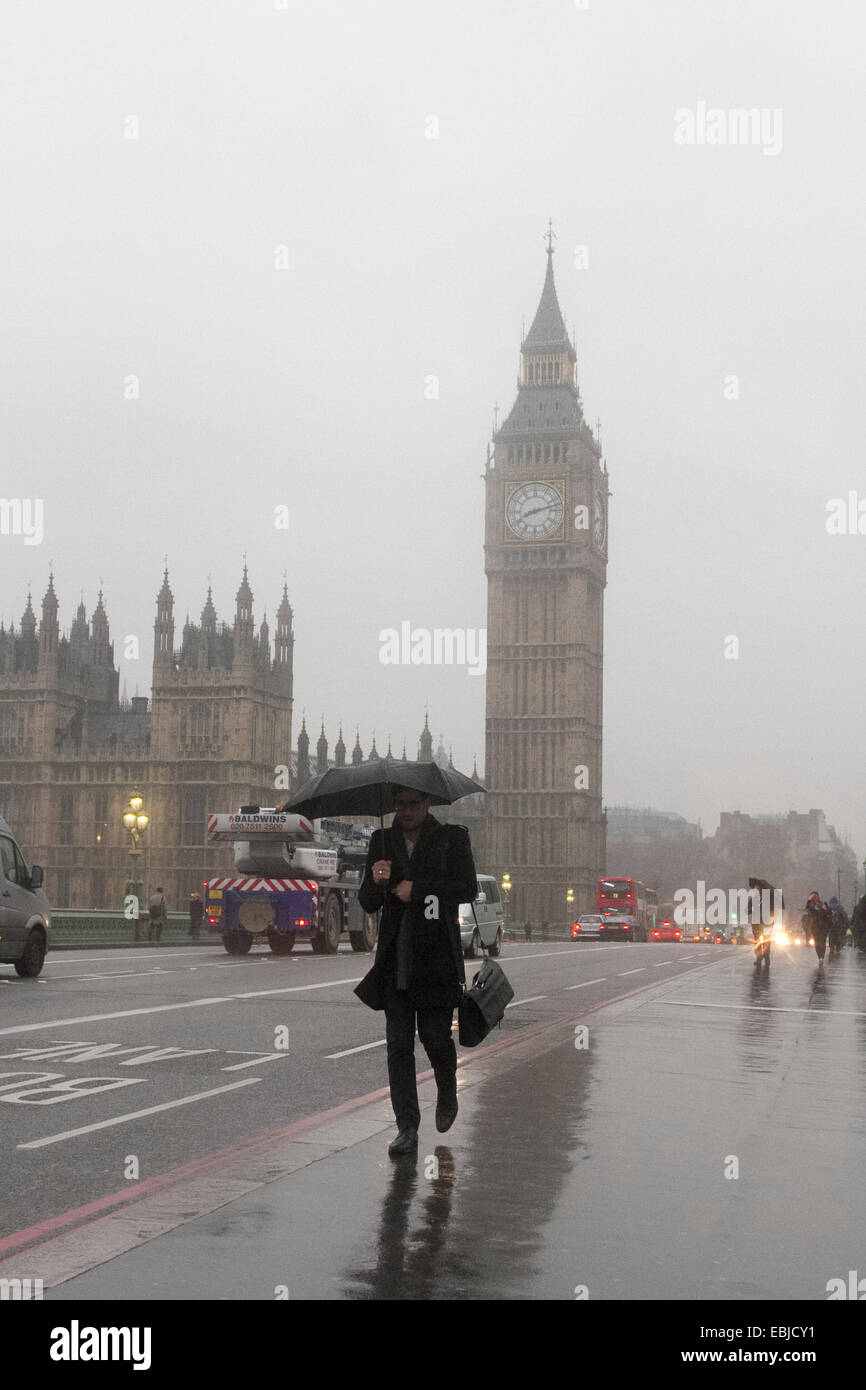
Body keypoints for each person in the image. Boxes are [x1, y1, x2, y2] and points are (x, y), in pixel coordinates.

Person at [356, 786, 478, 1158]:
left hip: (435, 958)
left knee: (435, 1039)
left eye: (412, 804)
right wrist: (377, 881)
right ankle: (407, 1128)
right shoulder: (381, 841)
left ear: (427, 805)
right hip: (395, 959)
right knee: (398, 1048)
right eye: (399, 804)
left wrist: (420, 889)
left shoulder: (451, 839)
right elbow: (368, 901)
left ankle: (446, 1087)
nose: (405, 811)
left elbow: (467, 888)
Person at [802, 891, 832, 964]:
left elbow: (829, 913)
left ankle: (821, 957)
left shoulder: (823, 904)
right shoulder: (811, 906)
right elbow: (807, 907)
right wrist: (809, 900)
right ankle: (820, 957)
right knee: (817, 943)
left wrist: (825, 909)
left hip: (822, 927)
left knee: (821, 943)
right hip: (816, 928)